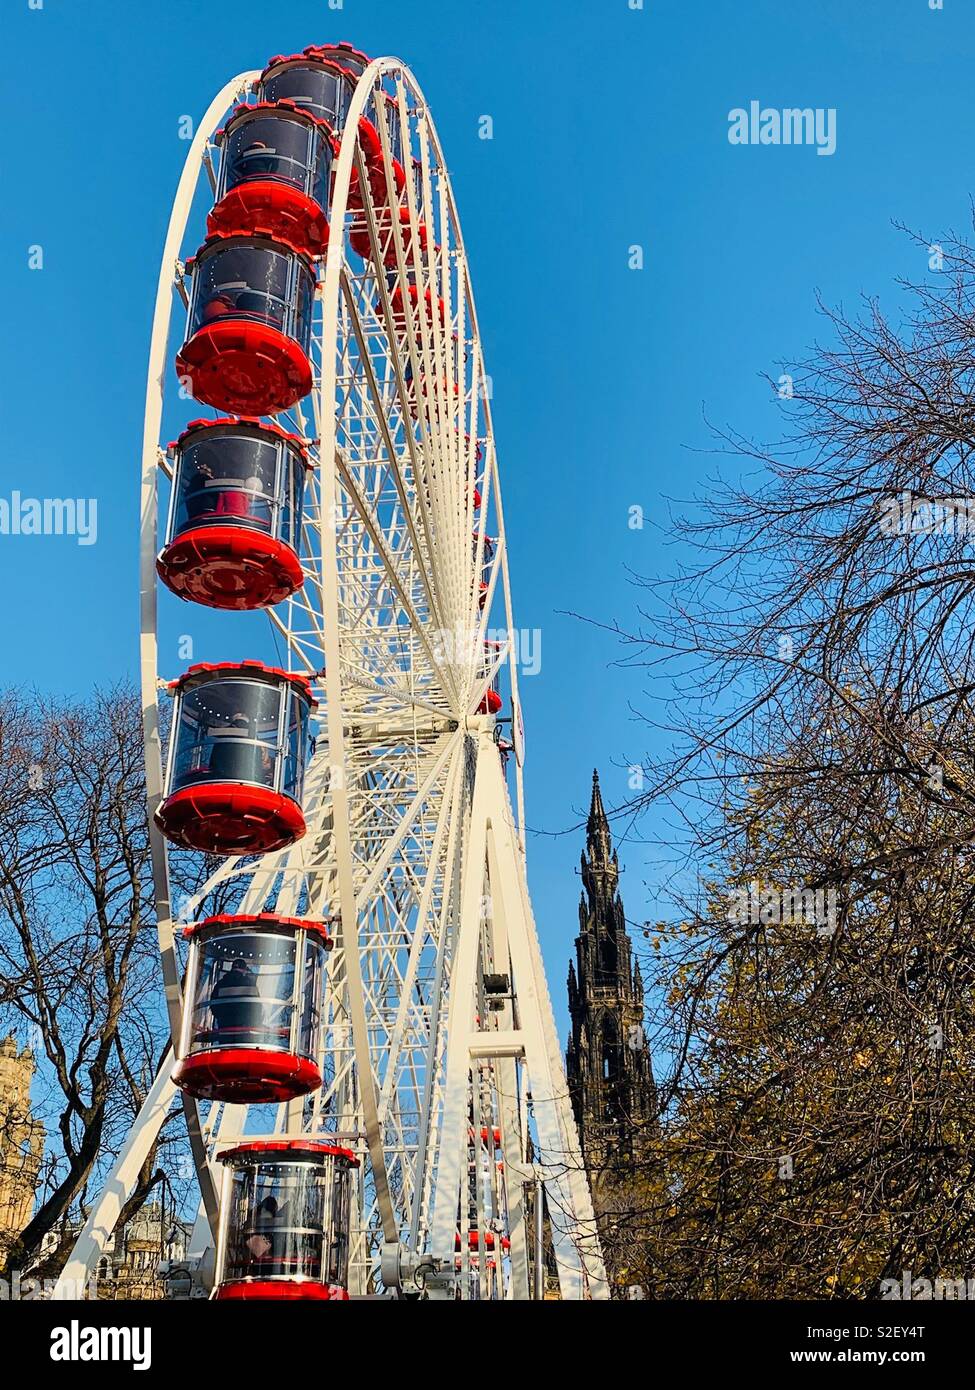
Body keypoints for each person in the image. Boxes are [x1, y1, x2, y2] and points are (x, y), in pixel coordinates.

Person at [207, 957, 264, 1044]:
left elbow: (214, 1005)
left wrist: (222, 1018)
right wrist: (253, 1021)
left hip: (225, 1030)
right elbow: (257, 1007)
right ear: (244, 969)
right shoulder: (249, 984)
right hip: (244, 1031)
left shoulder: (220, 984)